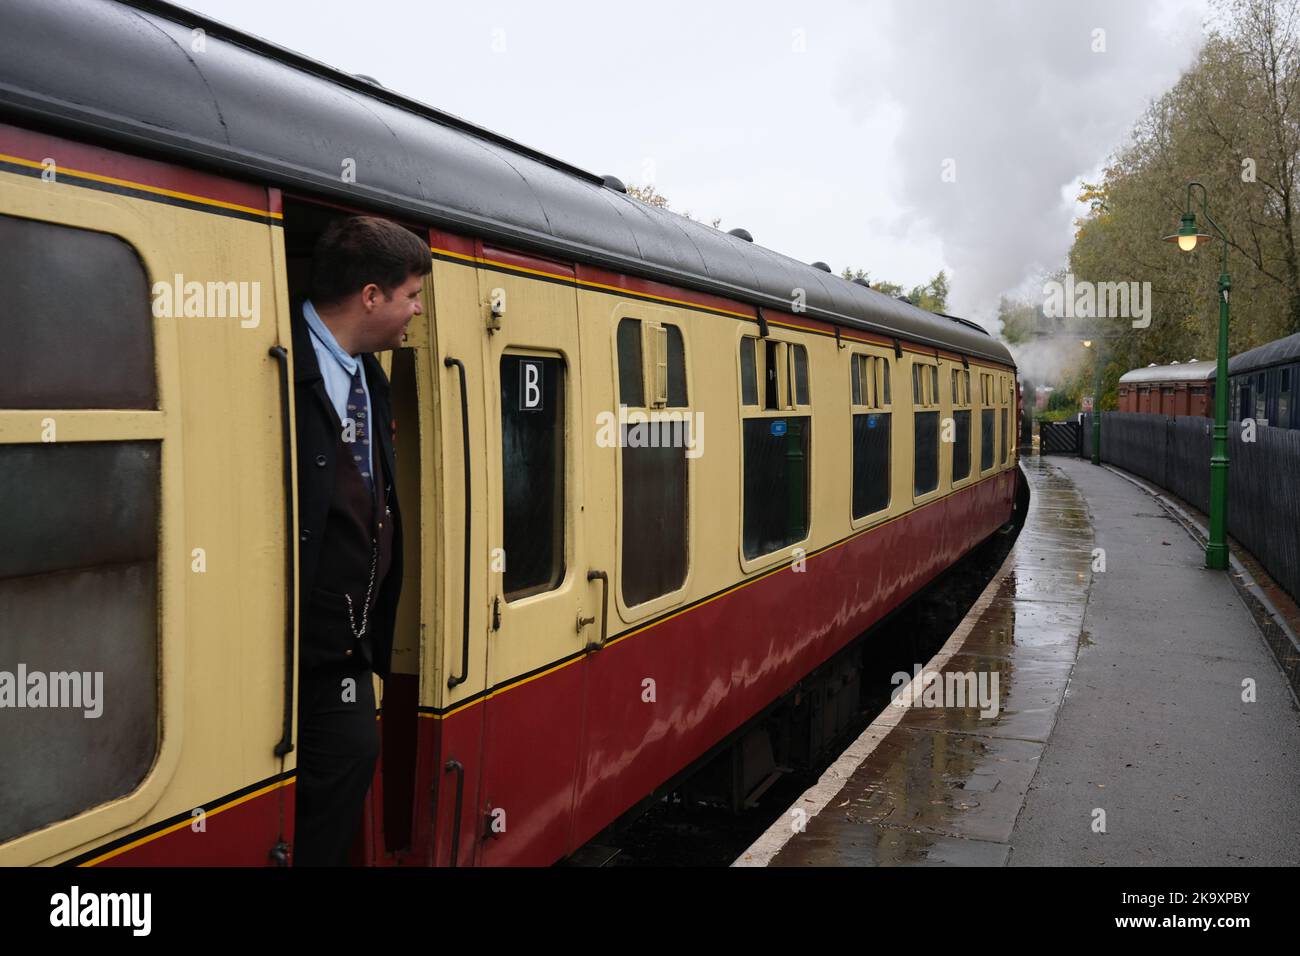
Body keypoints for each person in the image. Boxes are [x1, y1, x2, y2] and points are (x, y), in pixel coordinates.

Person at [291, 215, 429, 866]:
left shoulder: (368, 374)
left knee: (352, 754)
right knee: (341, 761)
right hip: (302, 646)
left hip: (350, 643)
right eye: (412, 296)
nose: (419, 311)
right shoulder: (284, 357)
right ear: (372, 296)